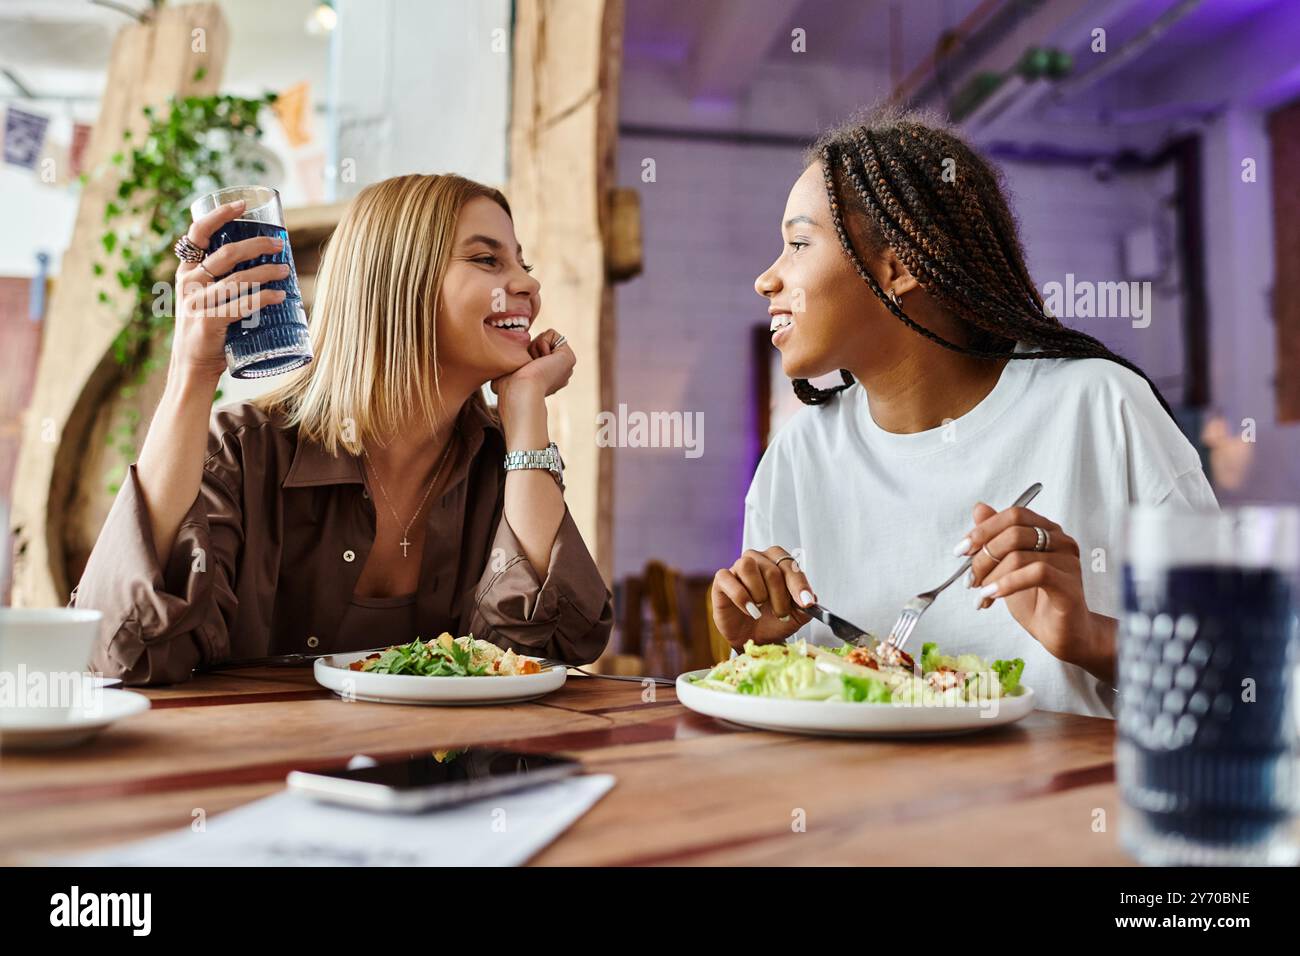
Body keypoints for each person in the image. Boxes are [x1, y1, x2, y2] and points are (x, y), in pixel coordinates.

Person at [710, 108, 1217, 717]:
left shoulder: (1102, 408)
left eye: (797, 244)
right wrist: (753, 651)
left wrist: (1090, 638)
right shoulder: (798, 457)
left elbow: (1242, 675)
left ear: (898, 266)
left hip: (1068, 805)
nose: (768, 278)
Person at [75, 173, 612, 684]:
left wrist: (526, 411)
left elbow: (551, 651)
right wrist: (192, 374)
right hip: (253, 776)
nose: (528, 283)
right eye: (486, 259)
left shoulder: (508, 463)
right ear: (395, 284)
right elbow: (122, 649)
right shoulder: (240, 452)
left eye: (522, 262)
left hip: (445, 781)